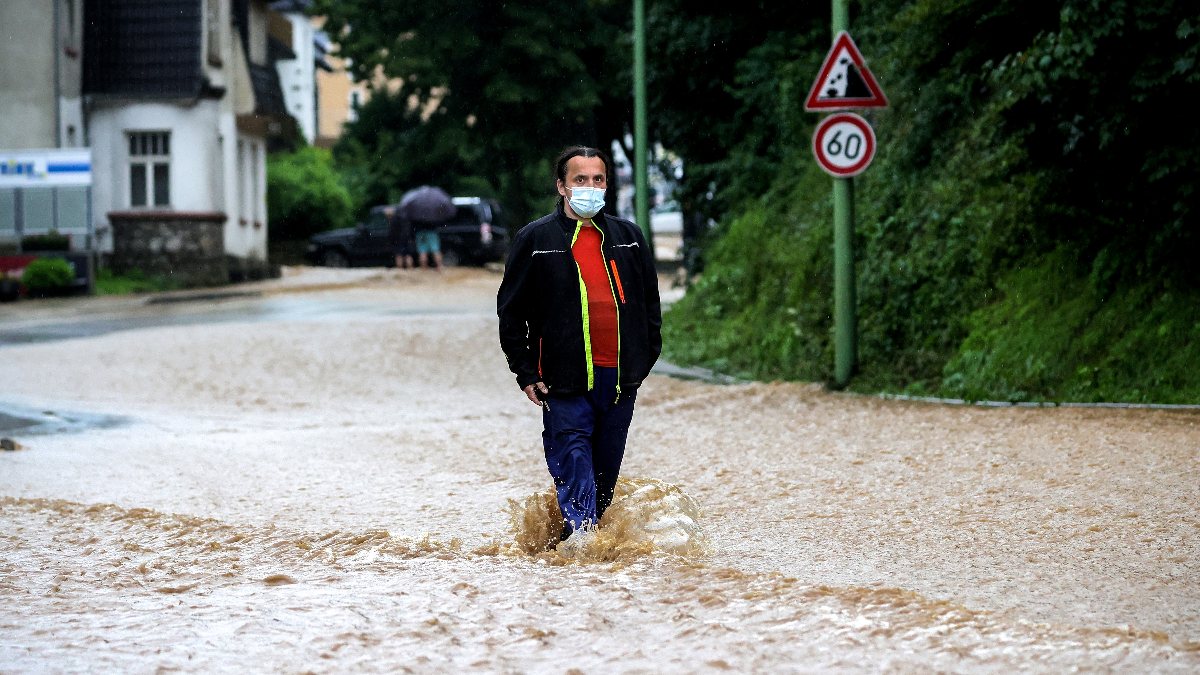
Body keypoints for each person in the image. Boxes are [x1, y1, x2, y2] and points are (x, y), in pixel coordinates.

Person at [497, 145, 662, 549]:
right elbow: (510, 311)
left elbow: (650, 308)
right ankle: (580, 548)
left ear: (607, 184)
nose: (590, 187)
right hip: (563, 381)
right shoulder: (535, 240)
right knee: (574, 463)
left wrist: (639, 366)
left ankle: (579, 541)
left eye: (598, 179)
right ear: (562, 186)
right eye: (580, 180)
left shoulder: (628, 238)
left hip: (619, 381)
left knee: (605, 477)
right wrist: (526, 372)